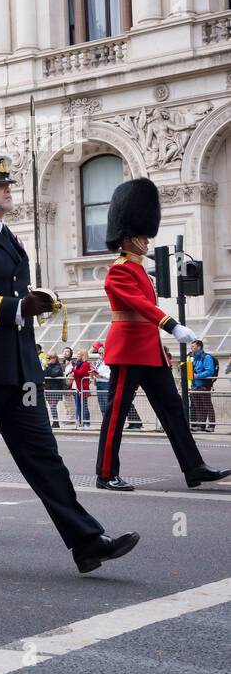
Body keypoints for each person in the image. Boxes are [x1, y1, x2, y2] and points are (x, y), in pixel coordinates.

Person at [0, 155, 137, 574]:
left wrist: (33, 301)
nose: (7, 189)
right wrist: (19, 306)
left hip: (17, 370)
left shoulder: (8, 237)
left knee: (44, 459)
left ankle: (87, 541)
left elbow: (6, 293)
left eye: (7, 184)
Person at [93, 178, 230, 491]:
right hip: (128, 350)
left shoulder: (139, 267)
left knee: (173, 409)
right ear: (128, 237)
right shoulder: (119, 269)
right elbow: (138, 304)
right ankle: (105, 473)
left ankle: (194, 468)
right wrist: (171, 324)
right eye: (142, 234)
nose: (146, 239)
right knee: (116, 414)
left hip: (150, 352)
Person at [190, 340, 216, 432]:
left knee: (207, 405)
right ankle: (201, 425)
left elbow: (210, 371)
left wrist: (198, 376)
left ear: (199, 347)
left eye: (193, 346)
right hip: (194, 386)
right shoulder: (193, 357)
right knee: (198, 406)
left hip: (203, 385)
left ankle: (211, 426)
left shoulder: (206, 357)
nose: (191, 348)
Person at [70, 349, 93, 427]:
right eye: (77, 354)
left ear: (83, 356)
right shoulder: (78, 363)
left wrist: (72, 369)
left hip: (83, 387)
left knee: (84, 406)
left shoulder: (85, 364)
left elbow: (80, 373)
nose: (77, 356)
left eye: (79, 355)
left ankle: (87, 422)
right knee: (78, 406)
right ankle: (80, 421)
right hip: (77, 387)